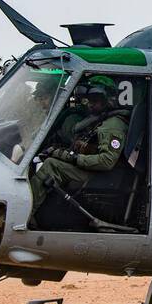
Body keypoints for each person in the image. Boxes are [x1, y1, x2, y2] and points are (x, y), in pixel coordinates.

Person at [30, 81, 130, 215]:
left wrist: (73, 157)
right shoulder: (101, 120)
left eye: (96, 100)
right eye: (88, 100)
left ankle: (27, 213)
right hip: (97, 172)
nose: (90, 104)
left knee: (51, 166)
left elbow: (107, 161)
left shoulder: (112, 125)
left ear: (109, 100)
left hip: (103, 177)